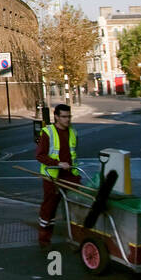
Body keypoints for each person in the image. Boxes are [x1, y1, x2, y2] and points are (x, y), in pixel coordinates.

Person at [36, 103, 80, 245]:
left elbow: (73, 153)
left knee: (77, 204)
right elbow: (40, 156)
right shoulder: (48, 132)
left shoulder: (73, 132)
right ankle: (44, 238)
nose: (68, 120)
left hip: (70, 175)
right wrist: (58, 163)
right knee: (50, 207)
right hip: (52, 176)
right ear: (56, 117)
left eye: (69, 116)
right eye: (64, 117)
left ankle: (76, 236)